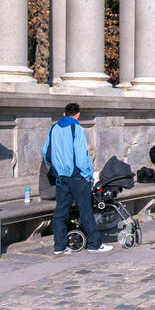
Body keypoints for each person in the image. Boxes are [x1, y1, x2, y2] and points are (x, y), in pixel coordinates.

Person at [42, 102, 109, 255]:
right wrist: (87, 175)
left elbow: (45, 153)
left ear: (64, 113)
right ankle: (94, 244)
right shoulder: (76, 128)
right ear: (77, 115)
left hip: (61, 177)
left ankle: (59, 246)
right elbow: (81, 155)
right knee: (85, 210)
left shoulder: (54, 129)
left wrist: (57, 167)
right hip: (77, 176)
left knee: (60, 212)